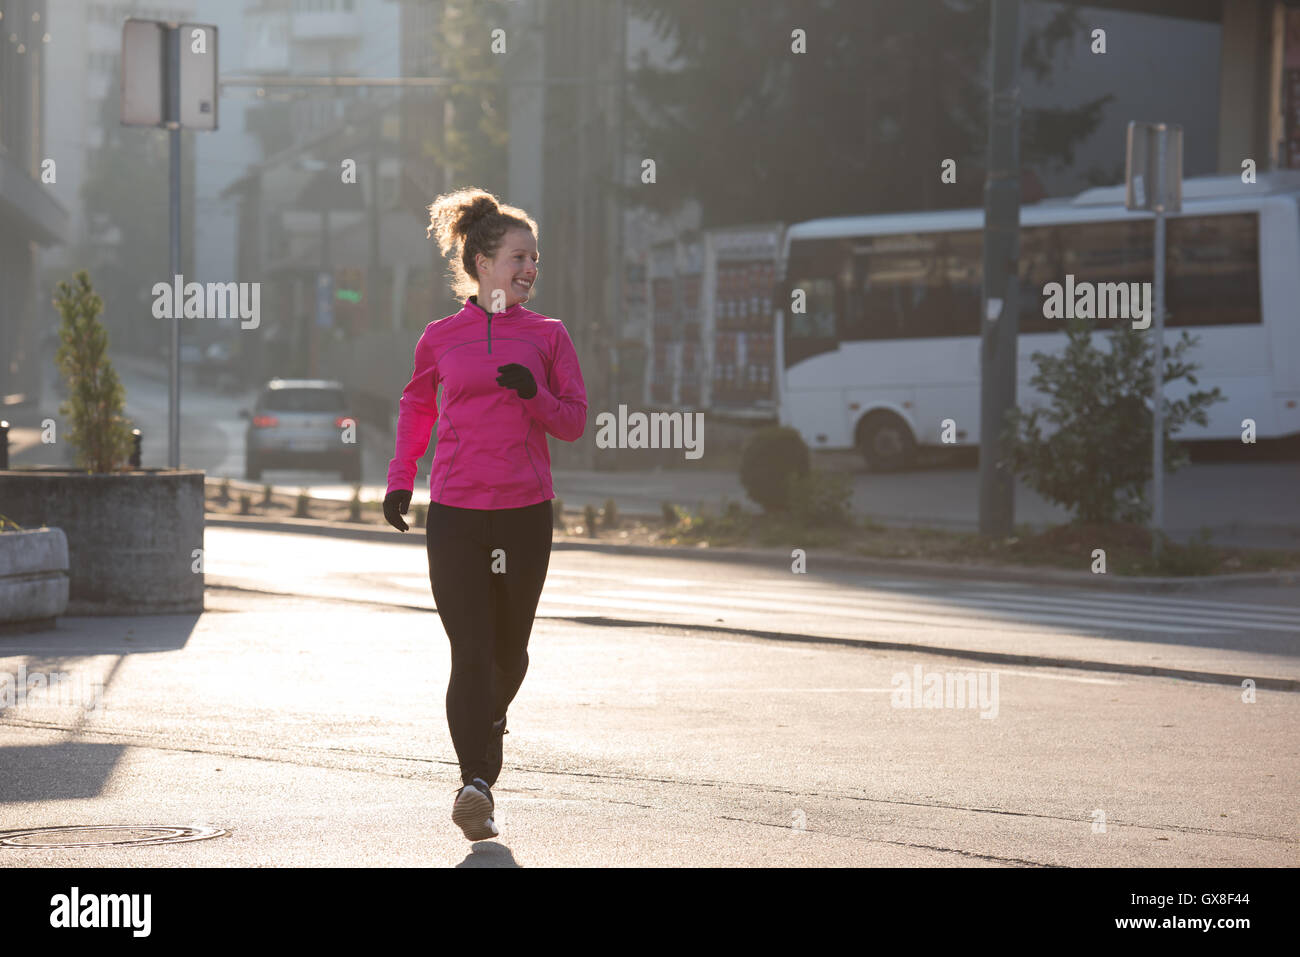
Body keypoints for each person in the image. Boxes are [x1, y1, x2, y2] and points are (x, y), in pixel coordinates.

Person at [383, 188, 588, 842]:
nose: (530, 268)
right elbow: (417, 408)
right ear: (481, 262)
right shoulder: (441, 338)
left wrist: (535, 397)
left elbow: (575, 421)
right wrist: (399, 481)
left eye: (536, 258)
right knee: (470, 651)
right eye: (518, 256)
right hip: (457, 516)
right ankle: (476, 783)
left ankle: (483, 734)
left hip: (524, 516)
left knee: (510, 652)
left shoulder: (549, 336)